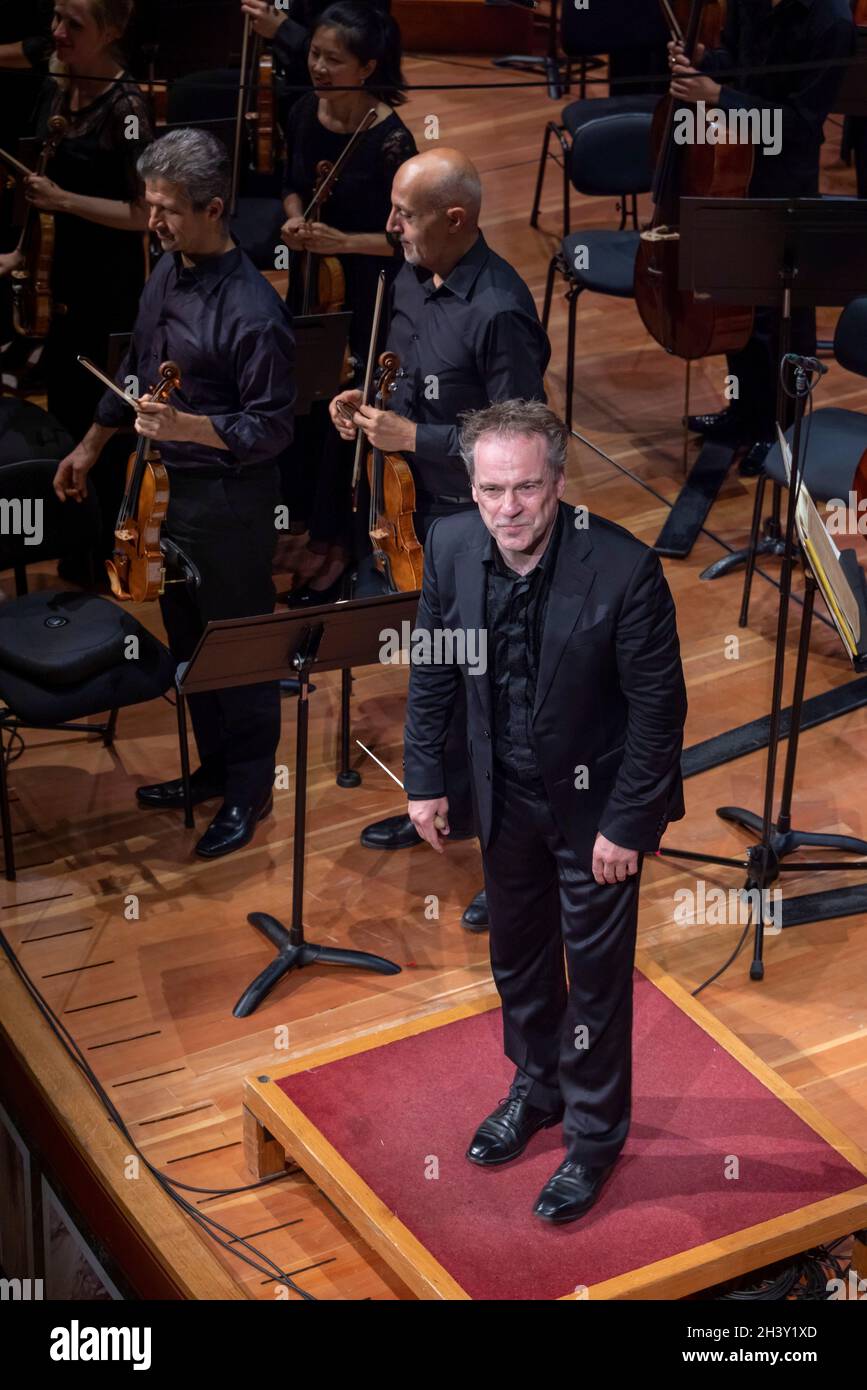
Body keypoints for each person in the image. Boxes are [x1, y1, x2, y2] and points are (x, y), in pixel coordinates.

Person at [403, 400, 688, 1224]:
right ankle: (538, 1090)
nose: (508, 509)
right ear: (471, 485)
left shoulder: (623, 569)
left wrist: (627, 827)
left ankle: (594, 1139)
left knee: (595, 984)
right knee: (517, 961)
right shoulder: (452, 547)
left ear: (558, 482)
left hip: (596, 812)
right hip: (503, 799)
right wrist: (426, 779)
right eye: (491, 490)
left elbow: (655, 716)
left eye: (526, 488)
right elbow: (431, 670)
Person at [52, 128, 296, 860]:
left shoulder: (254, 313)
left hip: (227, 504)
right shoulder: (167, 269)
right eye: (149, 204)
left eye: (166, 209)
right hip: (163, 489)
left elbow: (272, 429)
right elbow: (135, 363)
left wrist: (189, 423)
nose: (152, 221)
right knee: (188, 639)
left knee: (239, 653)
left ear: (213, 208)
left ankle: (249, 790)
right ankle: (214, 768)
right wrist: (93, 444)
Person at [329, 147, 551, 928]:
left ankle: (514, 867)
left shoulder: (498, 310)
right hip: (424, 519)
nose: (390, 226)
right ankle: (447, 809)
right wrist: (368, 401)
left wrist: (412, 436)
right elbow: (408, 376)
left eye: (406, 213)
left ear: (456, 220)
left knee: (496, 704)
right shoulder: (409, 282)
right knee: (446, 676)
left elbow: (524, 444)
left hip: (490, 531)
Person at [670, 0, 855, 472]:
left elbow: (800, 125)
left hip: (784, 182)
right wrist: (705, 62)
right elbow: (737, 61)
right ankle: (743, 416)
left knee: (782, 320)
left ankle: (783, 434)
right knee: (740, 308)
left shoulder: (830, 23)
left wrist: (718, 96)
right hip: (732, 167)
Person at [0, 0, 153, 560]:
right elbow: (41, 187)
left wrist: (63, 201)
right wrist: (19, 256)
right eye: (56, 18)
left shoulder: (128, 107)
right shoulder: (58, 87)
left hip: (105, 286)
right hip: (56, 279)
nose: (56, 32)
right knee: (63, 414)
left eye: (74, 24)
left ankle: (108, 546)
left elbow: (143, 214)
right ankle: (72, 537)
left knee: (103, 422)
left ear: (111, 31)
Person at [276, 0, 416, 601]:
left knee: (342, 409)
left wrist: (343, 241)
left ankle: (337, 545)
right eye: (315, 54)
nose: (319, 67)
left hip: (368, 291)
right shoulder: (307, 110)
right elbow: (291, 186)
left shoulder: (392, 141)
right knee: (303, 398)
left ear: (368, 67)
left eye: (334, 59)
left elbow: (407, 237)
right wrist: (293, 224)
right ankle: (303, 524)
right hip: (314, 282)